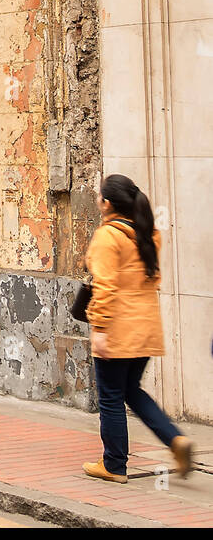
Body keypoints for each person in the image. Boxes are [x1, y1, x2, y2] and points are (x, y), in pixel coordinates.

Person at [83, 174, 193, 484]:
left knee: (111, 397)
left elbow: (104, 286)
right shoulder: (148, 233)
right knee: (130, 390)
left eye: (98, 196)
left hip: (117, 328)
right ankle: (175, 439)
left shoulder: (108, 236)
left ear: (107, 204)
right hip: (146, 326)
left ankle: (114, 465)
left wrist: (100, 328)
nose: (97, 200)